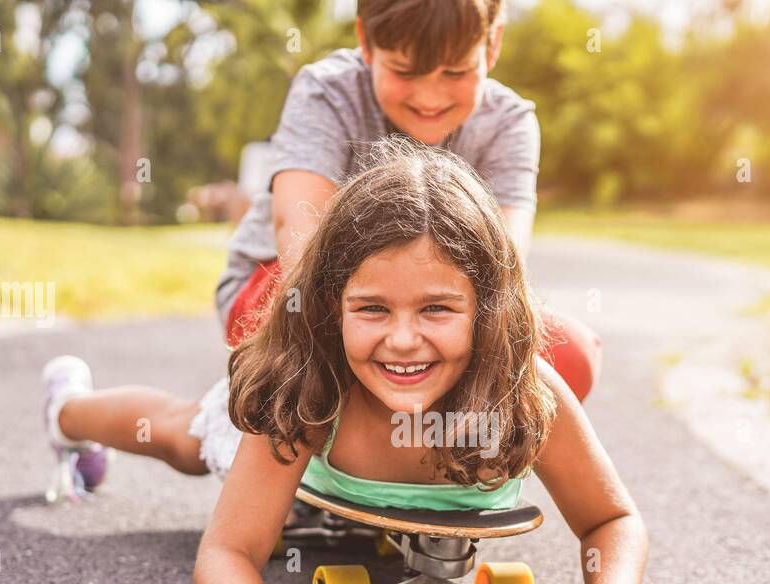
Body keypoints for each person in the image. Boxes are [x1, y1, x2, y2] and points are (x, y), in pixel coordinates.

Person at [41, 142, 680, 584]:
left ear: (488, 310)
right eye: (372, 308)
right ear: (330, 306)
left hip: (363, 490)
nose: (404, 341)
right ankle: (69, 410)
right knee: (182, 437)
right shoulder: (308, 386)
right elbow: (228, 552)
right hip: (302, 439)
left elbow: (611, 520)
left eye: (437, 308)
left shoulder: (525, 392)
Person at [217, 0, 601, 403]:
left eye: (456, 71)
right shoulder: (327, 91)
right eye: (404, 71)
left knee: (572, 354)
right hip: (291, 288)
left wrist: (450, 338)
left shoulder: (509, 122)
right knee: (321, 332)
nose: (429, 96)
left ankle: (418, 444)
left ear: (492, 45)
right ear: (366, 41)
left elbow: (503, 273)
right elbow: (299, 239)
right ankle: (318, 414)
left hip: (434, 309)